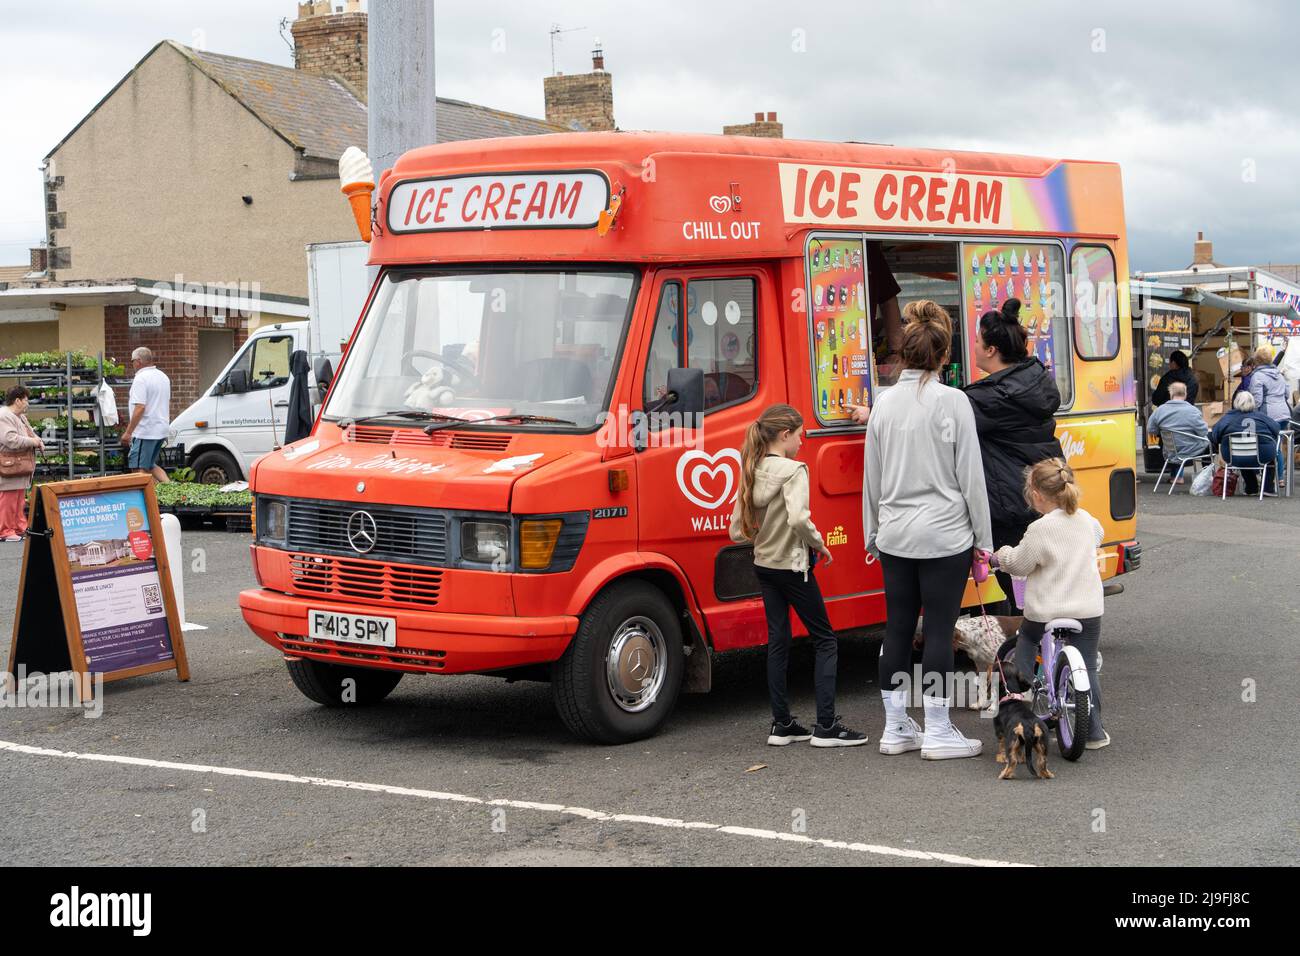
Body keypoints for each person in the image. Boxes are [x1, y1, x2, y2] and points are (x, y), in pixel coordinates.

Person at [864, 300, 992, 760]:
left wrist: (871, 534)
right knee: (938, 630)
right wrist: (984, 540)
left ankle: (895, 727)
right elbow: (971, 478)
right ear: (943, 356)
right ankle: (938, 730)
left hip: (895, 535)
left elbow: (871, 478)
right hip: (945, 535)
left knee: (896, 628)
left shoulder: (882, 405)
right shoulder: (954, 402)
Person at [729, 404, 867, 747]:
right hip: (793, 566)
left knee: (778, 640)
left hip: (764, 564)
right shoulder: (793, 470)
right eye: (800, 434)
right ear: (784, 435)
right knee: (825, 639)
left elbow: (735, 531)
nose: (803, 441)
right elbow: (798, 519)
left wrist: (762, 536)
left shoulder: (752, 467)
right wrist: (820, 545)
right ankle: (826, 726)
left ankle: (782, 724)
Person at [992, 458, 1109, 749]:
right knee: (1089, 667)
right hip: (1088, 611)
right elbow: (1098, 536)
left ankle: (1023, 699)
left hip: (1047, 612)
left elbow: (1019, 564)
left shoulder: (1039, 529)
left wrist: (998, 557)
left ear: (1035, 494)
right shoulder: (1087, 520)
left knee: (1027, 639)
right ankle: (1094, 732)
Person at [963, 298, 1063, 613]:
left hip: (1011, 501)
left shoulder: (989, 399)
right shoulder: (1036, 379)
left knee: (1022, 592)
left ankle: (1031, 653)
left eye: (978, 341)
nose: (975, 347)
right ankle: (1049, 649)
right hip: (1044, 492)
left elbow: (938, 418)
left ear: (992, 350)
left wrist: (876, 413)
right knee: (1041, 586)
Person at [1209, 390, 1280, 495]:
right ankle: (1267, 488)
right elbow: (1276, 429)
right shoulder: (1261, 416)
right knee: (1269, 459)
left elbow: (1215, 435)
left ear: (1235, 402)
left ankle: (1251, 488)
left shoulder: (1227, 418)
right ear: (1253, 402)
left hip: (1233, 457)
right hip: (1263, 455)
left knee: (1243, 454)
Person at [121, 346, 171, 484]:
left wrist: (128, 432)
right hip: (160, 428)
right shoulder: (163, 377)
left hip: (145, 431)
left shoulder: (141, 379)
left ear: (138, 361)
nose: (132, 364)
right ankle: (171, 490)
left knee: (138, 468)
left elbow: (140, 407)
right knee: (150, 465)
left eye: (132, 361)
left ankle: (150, 500)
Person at [0, 386, 44, 542]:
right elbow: (10, 439)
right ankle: (5, 531)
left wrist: (38, 440)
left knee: (18, 499)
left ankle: (19, 527)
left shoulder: (20, 416)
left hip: (18, 465)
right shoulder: (4, 416)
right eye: (26, 400)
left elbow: (30, 433)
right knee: (8, 499)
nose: (28, 403)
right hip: (9, 465)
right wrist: (33, 441)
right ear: (17, 400)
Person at [1145, 382, 1210, 470]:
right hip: (1190, 450)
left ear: (1171, 394)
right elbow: (1203, 432)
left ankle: (1176, 476)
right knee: (1210, 443)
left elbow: (1151, 430)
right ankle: (1206, 474)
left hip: (1169, 452)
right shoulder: (1193, 411)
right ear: (1185, 394)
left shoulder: (1159, 410)